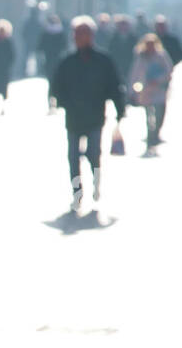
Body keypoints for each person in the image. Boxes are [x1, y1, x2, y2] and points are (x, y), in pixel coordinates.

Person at [51, 15, 126, 217]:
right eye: (77, 33)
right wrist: (61, 101)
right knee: (73, 158)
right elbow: (56, 86)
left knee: (94, 155)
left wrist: (120, 110)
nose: (80, 37)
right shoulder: (67, 61)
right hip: (74, 118)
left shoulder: (103, 61)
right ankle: (77, 191)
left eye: (84, 33)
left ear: (91, 36)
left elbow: (114, 86)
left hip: (95, 117)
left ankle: (95, 185)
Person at [127, 33, 174, 155]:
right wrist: (132, 91)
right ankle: (150, 140)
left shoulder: (161, 56)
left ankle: (155, 135)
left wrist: (159, 79)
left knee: (159, 116)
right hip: (146, 93)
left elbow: (169, 71)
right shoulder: (141, 58)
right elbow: (135, 74)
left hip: (159, 92)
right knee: (148, 117)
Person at [38, 13, 69, 113]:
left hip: (49, 61)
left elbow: (39, 47)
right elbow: (65, 46)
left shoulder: (45, 33)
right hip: (59, 62)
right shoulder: (61, 33)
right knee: (58, 82)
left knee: (51, 82)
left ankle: (51, 101)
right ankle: (57, 100)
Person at [108, 14, 136, 83]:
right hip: (117, 65)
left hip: (130, 65)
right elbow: (110, 51)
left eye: (125, 24)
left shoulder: (133, 38)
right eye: (121, 24)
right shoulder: (113, 38)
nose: (123, 26)